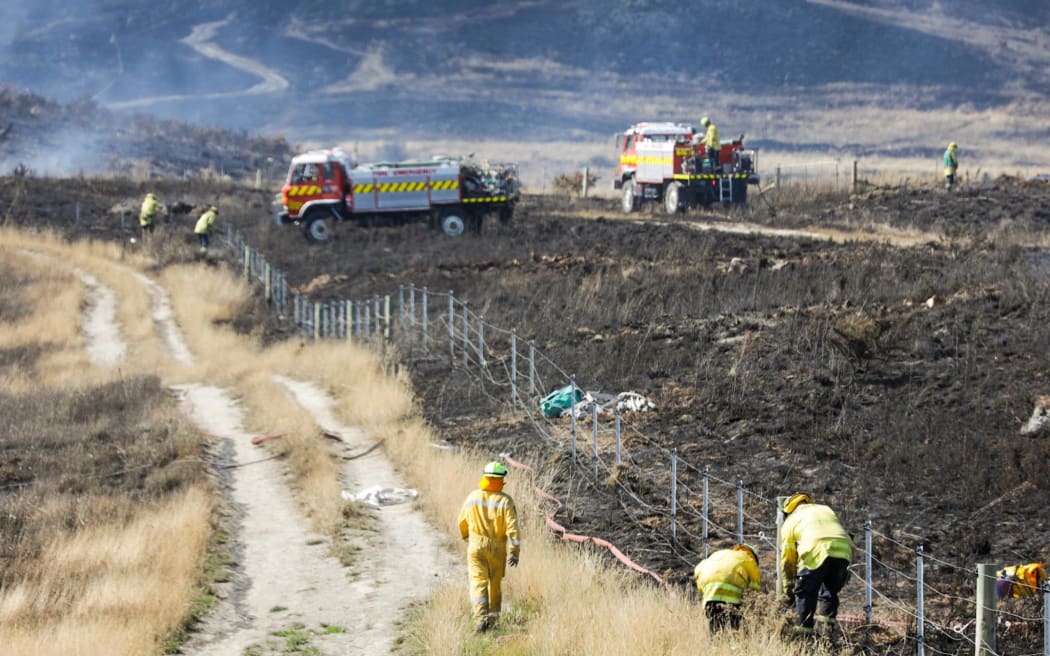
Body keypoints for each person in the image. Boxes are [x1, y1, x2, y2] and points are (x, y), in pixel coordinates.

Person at [779, 493, 854, 637]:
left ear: (788, 511)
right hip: (844, 550)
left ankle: (803, 638)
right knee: (830, 594)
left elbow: (788, 560)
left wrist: (788, 588)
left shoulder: (790, 521)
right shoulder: (825, 509)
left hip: (815, 551)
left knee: (806, 594)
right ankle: (826, 636)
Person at [458, 461, 521, 633]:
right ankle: (492, 622)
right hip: (497, 548)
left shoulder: (473, 497)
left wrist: (468, 538)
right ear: (501, 480)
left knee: (478, 581)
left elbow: (462, 521)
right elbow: (513, 528)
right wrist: (514, 552)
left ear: (485, 477)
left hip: (475, 546)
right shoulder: (506, 501)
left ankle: (480, 619)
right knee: (495, 584)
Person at [694, 544, 762, 632]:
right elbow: (754, 590)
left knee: (715, 628)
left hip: (710, 597)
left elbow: (698, 569)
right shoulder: (749, 560)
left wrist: (703, 590)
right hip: (732, 601)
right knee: (734, 630)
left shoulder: (721, 554)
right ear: (753, 556)